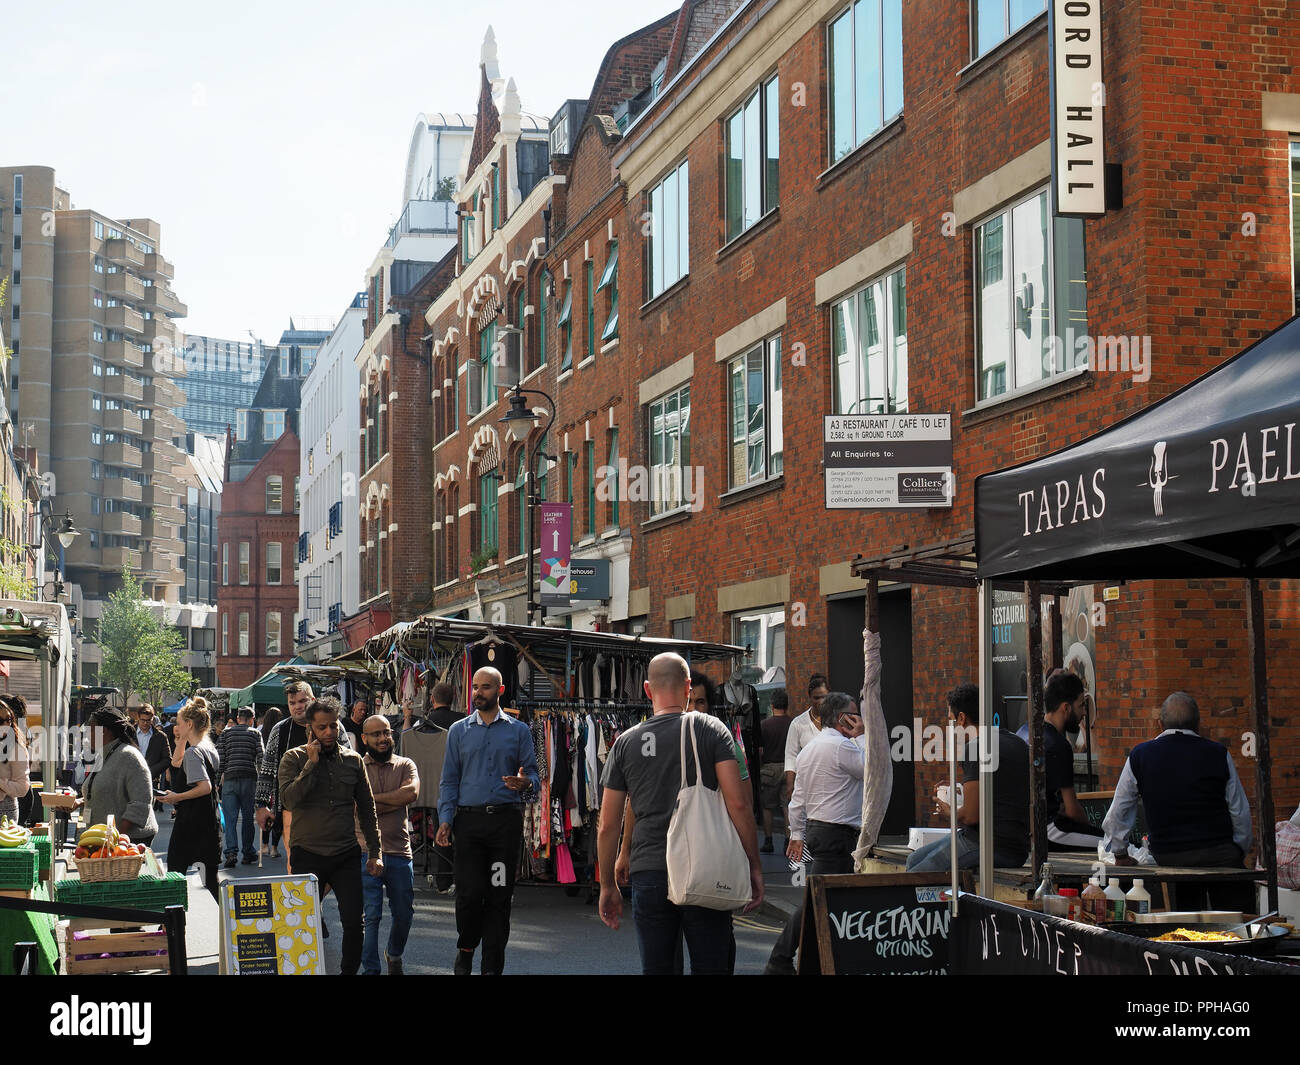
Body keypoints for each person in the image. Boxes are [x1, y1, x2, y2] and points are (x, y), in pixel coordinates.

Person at [596, 652, 764, 975]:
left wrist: (607, 886)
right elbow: (739, 804)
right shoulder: (712, 730)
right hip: (705, 866)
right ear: (689, 687)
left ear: (647, 690)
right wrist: (754, 865)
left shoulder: (625, 743)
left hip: (650, 872)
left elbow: (607, 825)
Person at [436, 666, 539, 976]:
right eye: (476, 687)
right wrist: (444, 820)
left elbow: (533, 774)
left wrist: (525, 784)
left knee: (498, 896)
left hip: (503, 828)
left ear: (500, 690)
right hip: (468, 827)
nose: (478, 692)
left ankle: (492, 966)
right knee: (468, 895)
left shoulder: (519, 730)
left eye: (485, 687)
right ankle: (466, 948)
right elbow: (448, 780)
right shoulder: (458, 731)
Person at [280, 697, 383, 976]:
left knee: (353, 921)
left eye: (333, 727)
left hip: (345, 854)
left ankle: (348, 971)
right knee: (302, 923)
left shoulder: (353, 761)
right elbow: (289, 801)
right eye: (321, 727)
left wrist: (375, 852)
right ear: (310, 729)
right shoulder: (294, 758)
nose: (328, 733)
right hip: (307, 853)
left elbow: (367, 808)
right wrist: (311, 765)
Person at [765, 691, 866, 975]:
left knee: (822, 898)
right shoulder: (842, 746)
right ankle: (780, 959)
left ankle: (812, 960)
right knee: (816, 899)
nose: (860, 719)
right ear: (842, 718)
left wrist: (797, 833)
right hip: (836, 835)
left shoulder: (810, 748)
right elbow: (870, 769)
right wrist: (861, 736)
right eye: (855, 714)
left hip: (820, 831)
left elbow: (797, 797)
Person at [1102, 691, 1251, 867]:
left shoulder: (1140, 755)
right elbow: (1240, 811)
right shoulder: (1219, 753)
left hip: (1168, 855)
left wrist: (1120, 853)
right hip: (1219, 851)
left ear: (1160, 724)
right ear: (1198, 725)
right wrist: (1239, 849)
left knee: (1184, 894)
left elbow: (1119, 810)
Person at [906, 683, 1031, 872]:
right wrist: (960, 787)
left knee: (915, 876)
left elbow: (971, 816)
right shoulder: (1016, 742)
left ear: (962, 718)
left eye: (951, 721)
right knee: (913, 860)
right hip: (1017, 845)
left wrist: (949, 812)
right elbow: (1001, 789)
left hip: (988, 844)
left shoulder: (975, 747)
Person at [256, 682, 350, 857]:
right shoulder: (280, 729)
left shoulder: (333, 726)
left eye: (302, 701)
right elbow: (267, 770)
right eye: (292, 703)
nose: (298, 706)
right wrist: (261, 805)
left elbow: (349, 762)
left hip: (329, 807)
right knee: (296, 864)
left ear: (313, 700)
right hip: (291, 808)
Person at [357, 715, 419, 976]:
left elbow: (411, 794)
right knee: (371, 915)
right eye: (376, 734)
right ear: (364, 739)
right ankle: (371, 970)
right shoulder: (356, 766)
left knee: (404, 912)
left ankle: (394, 953)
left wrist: (369, 801)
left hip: (399, 852)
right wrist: (391, 802)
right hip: (365, 851)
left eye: (387, 732)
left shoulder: (406, 764)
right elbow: (353, 805)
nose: (383, 738)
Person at [159, 698, 223, 901]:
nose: (175, 727)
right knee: (211, 881)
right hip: (207, 823)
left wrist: (176, 797)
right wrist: (182, 739)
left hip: (190, 824)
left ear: (189, 724)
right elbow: (176, 762)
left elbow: (205, 787)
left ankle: (171, 926)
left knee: (174, 877)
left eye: (178, 723)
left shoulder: (194, 752)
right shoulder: (206, 747)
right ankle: (235, 925)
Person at [1037, 670, 1104, 850]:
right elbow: (1073, 810)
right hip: (1051, 831)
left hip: (1028, 830)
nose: (1084, 712)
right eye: (1081, 705)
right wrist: (1089, 826)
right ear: (1066, 708)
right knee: (1114, 846)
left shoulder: (1028, 732)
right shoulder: (1059, 745)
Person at [82, 708, 159, 847]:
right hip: (104, 840)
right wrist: (80, 802)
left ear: (103, 731)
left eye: (90, 730)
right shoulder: (104, 754)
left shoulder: (129, 756)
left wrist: (116, 838)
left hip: (128, 842)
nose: (87, 736)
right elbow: (106, 790)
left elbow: (140, 803)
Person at [217, 706, 265, 867]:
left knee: (230, 820)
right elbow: (261, 757)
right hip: (249, 780)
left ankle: (231, 853)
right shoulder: (255, 733)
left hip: (230, 780)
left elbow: (220, 759)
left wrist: (217, 781)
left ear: (238, 719)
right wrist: (262, 780)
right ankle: (248, 852)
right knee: (247, 819)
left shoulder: (225, 733)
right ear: (252, 720)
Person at [783, 673, 829, 807]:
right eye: (816, 697)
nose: (821, 701)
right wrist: (790, 786)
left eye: (824, 697)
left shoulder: (837, 720)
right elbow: (791, 756)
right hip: (808, 787)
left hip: (834, 785)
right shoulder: (798, 724)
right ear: (809, 697)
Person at [759, 688, 793, 853]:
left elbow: (760, 750)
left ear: (772, 706)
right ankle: (788, 840)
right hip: (788, 768)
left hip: (769, 769)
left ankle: (768, 841)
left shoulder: (764, 725)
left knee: (767, 807)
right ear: (786, 705)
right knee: (787, 806)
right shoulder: (793, 724)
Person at [0, 697, 31, 825]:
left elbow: (22, 788)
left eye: (9, 720)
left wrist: (1, 783)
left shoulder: (16, 748)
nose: (6, 725)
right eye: (0, 721)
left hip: (5, 811)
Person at [133, 703, 172, 791]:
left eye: (148, 720)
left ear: (153, 719)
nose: (145, 723)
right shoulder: (128, 733)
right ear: (138, 718)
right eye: (142, 720)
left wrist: (150, 771)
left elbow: (167, 759)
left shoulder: (161, 736)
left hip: (151, 782)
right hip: (130, 779)